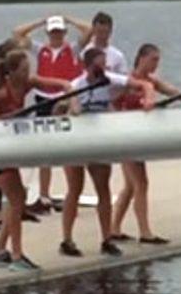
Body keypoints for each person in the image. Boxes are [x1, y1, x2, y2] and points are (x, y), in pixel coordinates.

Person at [59, 47, 154, 258]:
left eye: (104, 65)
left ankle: (106, 239)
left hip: (98, 143)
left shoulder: (109, 79)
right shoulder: (76, 85)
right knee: (75, 189)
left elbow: (142, 84)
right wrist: (72, 103)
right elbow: (69, 108)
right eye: (98, 66)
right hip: (76, 144)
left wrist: (148, 98)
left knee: (103, 190)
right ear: (87, 67)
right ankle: (67, 240)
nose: (102, 69)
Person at [109, 43, 181, 244]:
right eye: (153, 59)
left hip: (139, 139)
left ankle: (114, 228)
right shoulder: (126, 81)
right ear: (142, 58)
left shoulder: (152, 81)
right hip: (125, 138)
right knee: (141, 183)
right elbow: (110, 102)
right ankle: (145, 232)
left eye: (158, 60)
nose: (156, 64)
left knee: (130, 186)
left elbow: (174, 91)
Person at [0, 49, 70, 271]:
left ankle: (0, 251)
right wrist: (2, 119)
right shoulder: (1, 95)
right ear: (12, 73)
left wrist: (68, 87)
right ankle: (16, 256)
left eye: (28, 69)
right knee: (17, 199)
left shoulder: (26, 83)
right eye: (23, 70)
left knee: (17, 198)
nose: (28, 73)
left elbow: (52, 83)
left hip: (9, 149)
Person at [11, 14, 92, 213]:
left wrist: (70, 20)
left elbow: (89, 31)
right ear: (48, 33)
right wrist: (40, 21)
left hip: (64, 98)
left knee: (66, 144)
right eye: (53, 31)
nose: (56, 35)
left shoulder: (72, 49)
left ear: (64, 32)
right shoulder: (41, 49)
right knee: (45, 147)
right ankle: (44, 194)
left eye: (59, 31)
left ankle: (71, 191)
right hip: (44, 98)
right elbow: (16, 34)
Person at [0, 36, 32, 231]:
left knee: (9, 172)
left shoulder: (19, 83)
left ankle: (14, 209)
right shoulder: (0, 89)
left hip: (8, 134)